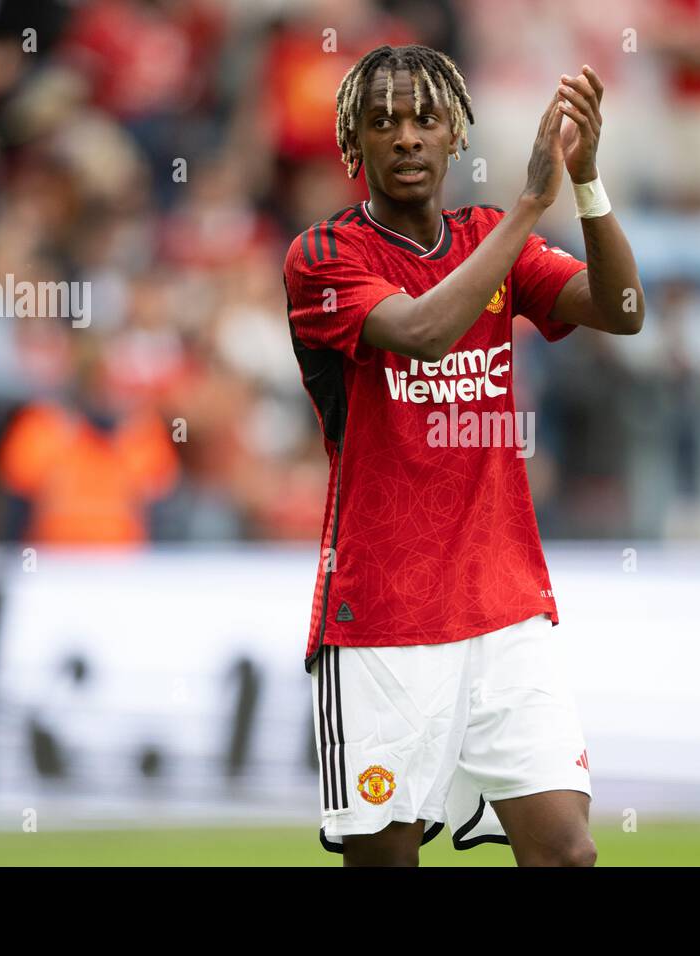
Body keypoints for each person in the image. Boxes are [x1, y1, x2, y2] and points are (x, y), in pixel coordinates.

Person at [282, 44, 643, 866]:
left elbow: (622, 311)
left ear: (454, 136)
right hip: (381, 617)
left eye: (423, 119)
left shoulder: (487, 239)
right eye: (382, 123)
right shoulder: (322, 260)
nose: (405, 137)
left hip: (504, 601)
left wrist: (584, 184)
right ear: (353, 149)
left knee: (569, 854)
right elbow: (423, 333)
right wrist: (528, 206)